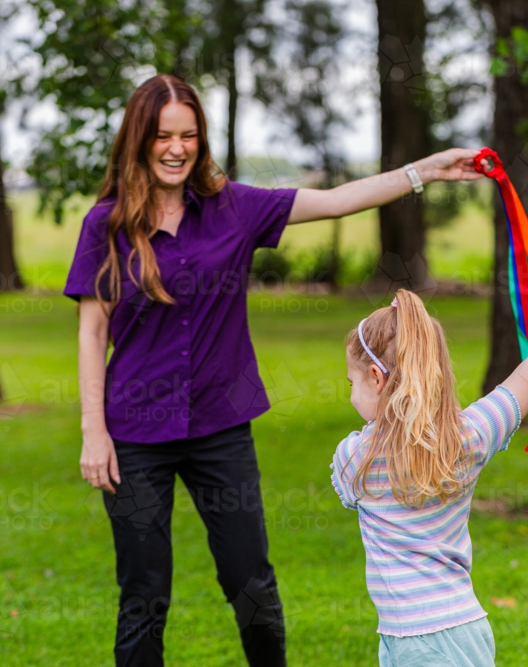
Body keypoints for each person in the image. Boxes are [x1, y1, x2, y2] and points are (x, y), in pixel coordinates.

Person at [63, 73, 486, 667]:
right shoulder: (104, 226)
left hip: (221, 427)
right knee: (143, 593)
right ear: (139, 140)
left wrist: (427, 169)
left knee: (251, 583)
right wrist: (93, 430)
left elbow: (338, 200)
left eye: (188, 135)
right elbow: (92, 330)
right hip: (133, 433)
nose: (177, 148)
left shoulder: (235, 208)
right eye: (163, 136)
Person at [330, 206, 528, 667]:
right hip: (462, 629)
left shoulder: (354, 457)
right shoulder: (470, 435)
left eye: (352, 381)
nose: (351, 391)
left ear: (377, 382)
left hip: (409, 638)